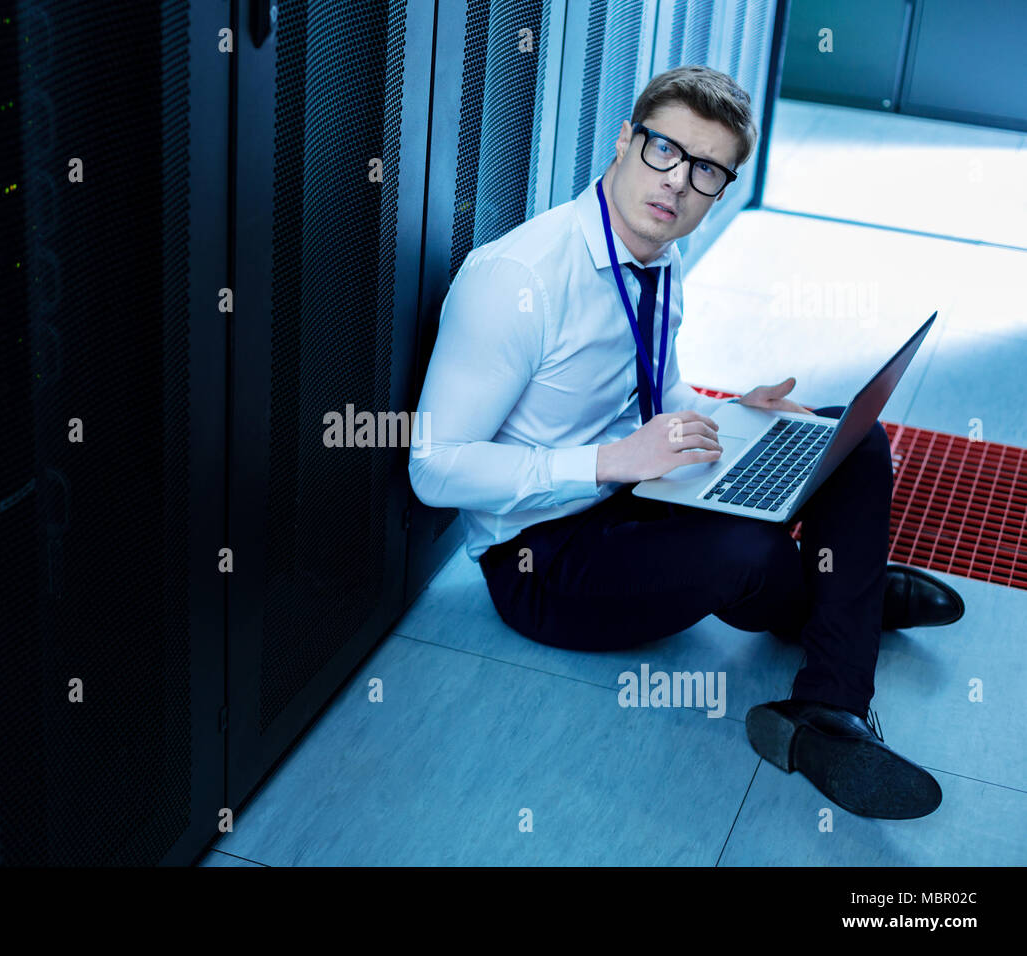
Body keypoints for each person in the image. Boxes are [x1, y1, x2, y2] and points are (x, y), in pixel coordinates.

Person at [408, 65, 964, 820]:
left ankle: (826, 709)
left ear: (721, 187)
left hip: (640, 494)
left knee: (848, 435)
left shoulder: (658, 262)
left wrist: (734, 412)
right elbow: (435, 469)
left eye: (706, 171)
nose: (677, 184)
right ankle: (846, 595)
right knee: (754, 556)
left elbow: (656, 396)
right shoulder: (518, 280)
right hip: (541, 560)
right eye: (665, 151)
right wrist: (611, 461)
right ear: (624, 142)